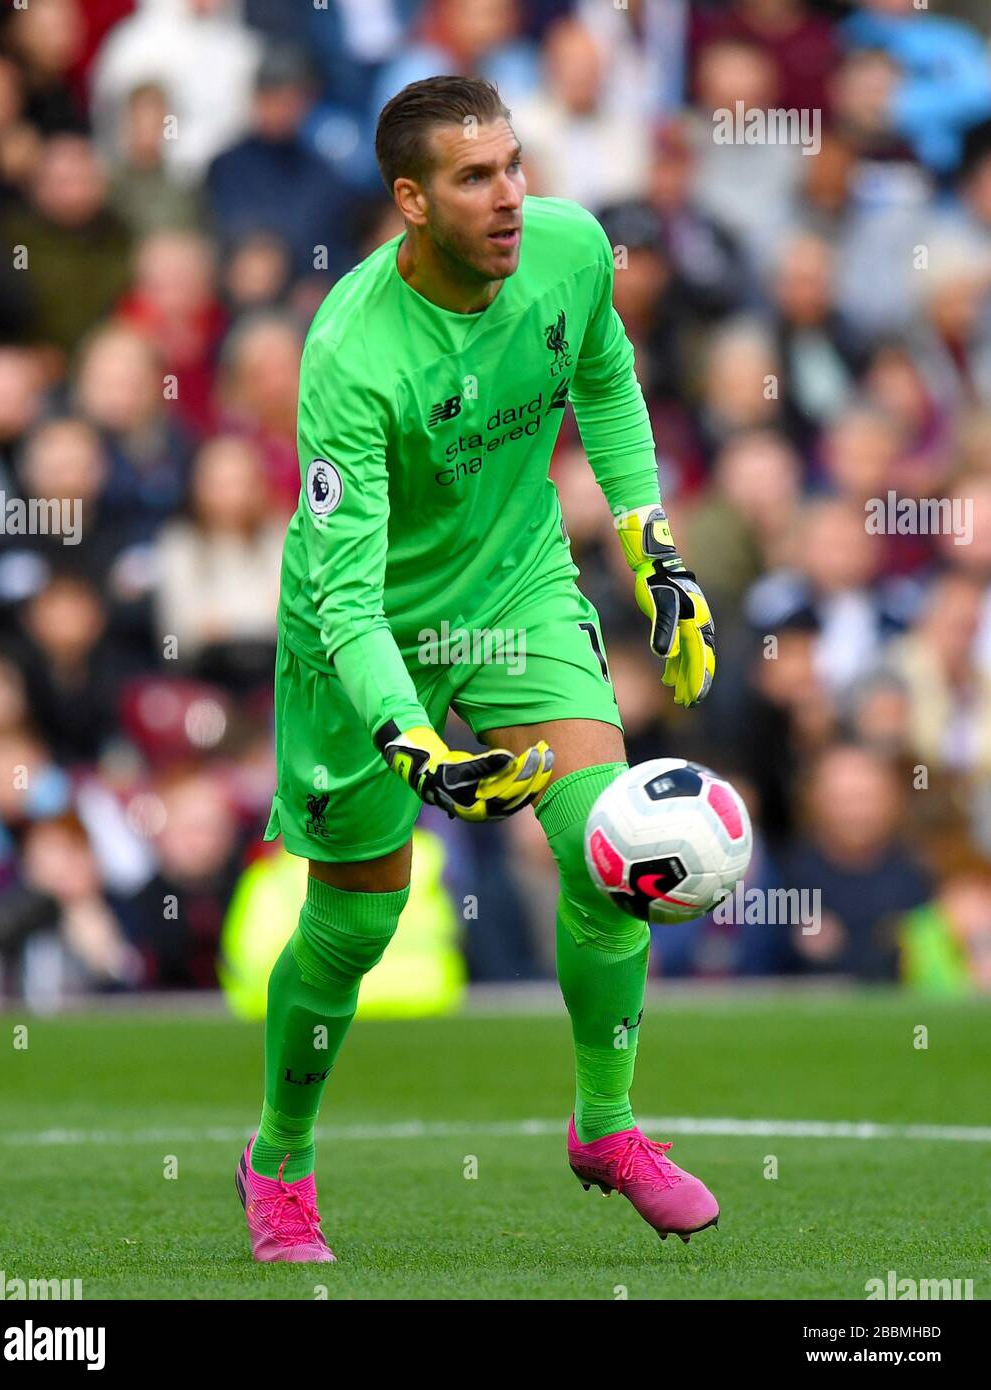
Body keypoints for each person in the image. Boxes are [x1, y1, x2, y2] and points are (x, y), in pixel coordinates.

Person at [237, 75, 718, 1263]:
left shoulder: (567, 252)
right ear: (409, 200)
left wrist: (652, 546)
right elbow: (345, 598)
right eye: (473, 177)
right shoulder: (350, 352)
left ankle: (603, 1126)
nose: (511, 196)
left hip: (515, 593)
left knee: (609, 848)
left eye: (514, 164)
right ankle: (280, 1158)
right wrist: (413, 741)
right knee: (358, 925)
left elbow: (601, 375)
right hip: (366, 637)